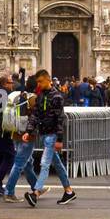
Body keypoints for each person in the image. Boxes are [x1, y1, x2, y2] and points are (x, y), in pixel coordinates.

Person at [19, 69, 76, 207]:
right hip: (44, 134)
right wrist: (28, 131)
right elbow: (35, 115)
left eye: (40, 81)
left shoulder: (57, 97)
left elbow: (60, 119)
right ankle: (69, 191)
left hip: (52, 135)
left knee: (44, 164)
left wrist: (59, 140)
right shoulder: (41, 96)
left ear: (48, 80)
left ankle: (35, 193)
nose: (38, 84)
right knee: (57, 163)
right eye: (37, 82)